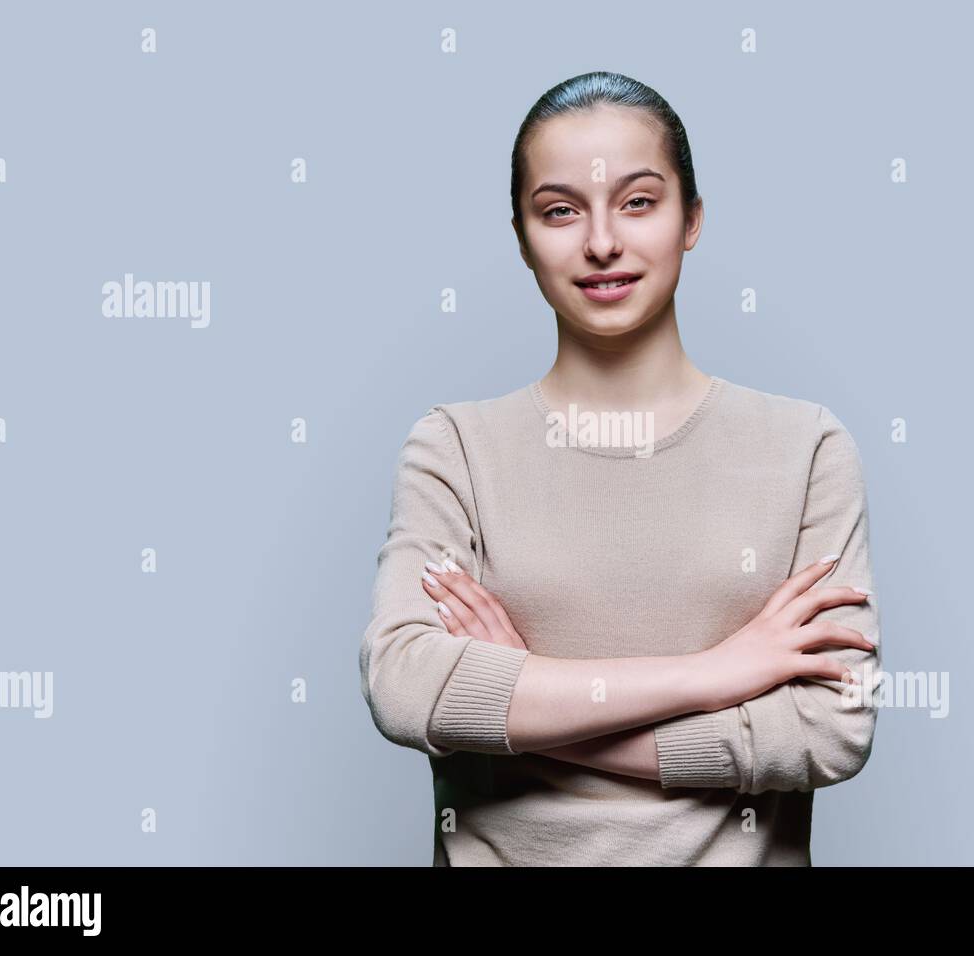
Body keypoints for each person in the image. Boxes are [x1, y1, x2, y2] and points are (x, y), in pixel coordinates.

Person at [358, 71, 882, 866]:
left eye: (638, 201)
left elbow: (836, 727)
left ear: (691, 218)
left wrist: (521, 696)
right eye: (560, 210)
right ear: (521, 236)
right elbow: (404, 685)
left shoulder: (806, 447)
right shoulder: (455, 448)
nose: (602, 242)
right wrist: (713, 674)